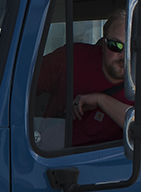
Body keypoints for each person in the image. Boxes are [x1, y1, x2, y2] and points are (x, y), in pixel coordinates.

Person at [32, 11, 131, 147]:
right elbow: (19, 86)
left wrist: (101, 100)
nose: (124, 55)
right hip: (47, 153)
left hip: (105, 158)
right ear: (104, 45)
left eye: (132, 48)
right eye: (116, 46)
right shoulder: (71, 59)